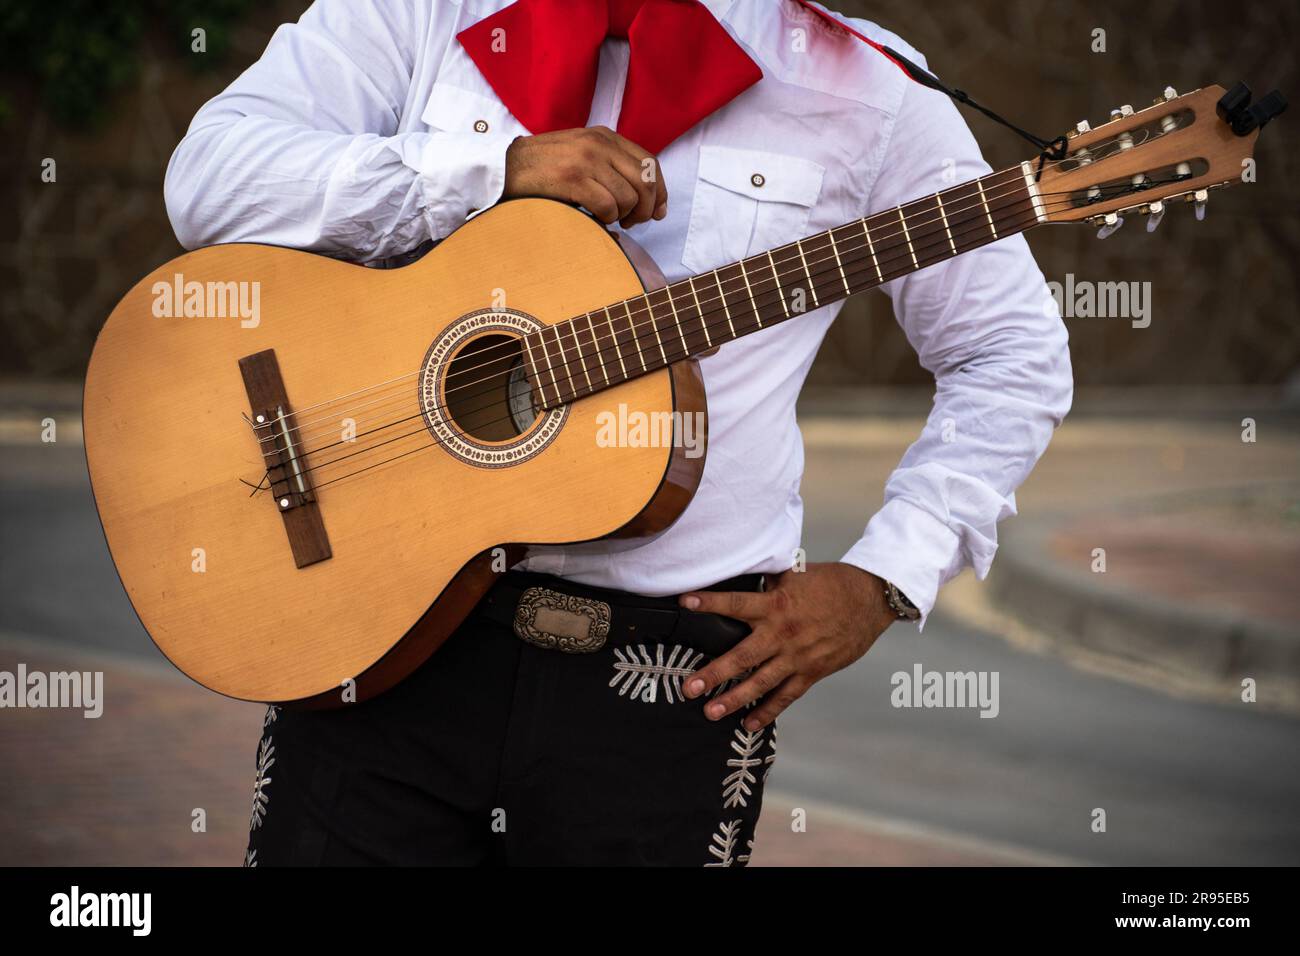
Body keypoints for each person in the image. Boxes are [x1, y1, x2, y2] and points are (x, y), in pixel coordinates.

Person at [164, 0, 1072, 866]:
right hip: (377, 626)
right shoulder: (418, 13)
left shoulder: (867, 85)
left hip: (671, 679)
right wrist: (489, 173)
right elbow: (210, 178)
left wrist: (887, 576)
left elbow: (1010, 351)